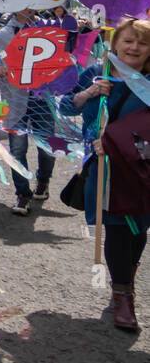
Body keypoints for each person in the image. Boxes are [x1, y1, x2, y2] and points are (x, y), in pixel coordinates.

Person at [60, 17, 150, 331]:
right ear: (115, 44)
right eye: (128, 40)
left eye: (142, 42)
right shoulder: (96, 73)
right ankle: (122, 296)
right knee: (116, 228)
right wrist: (89, 93)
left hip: (142, 169)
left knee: (138, 230)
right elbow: (67, 108)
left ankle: (126, 274)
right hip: (105, 169)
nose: (134, 47)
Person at [0, 7, 55, 215]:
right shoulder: (3, 35)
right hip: (15, 100)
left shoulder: (48, 30)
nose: (27, 8)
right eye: (23, 4)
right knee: (17, 150)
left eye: (31, 4)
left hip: (43, 99)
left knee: (47, 148)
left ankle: (43, 181)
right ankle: (23, 194)